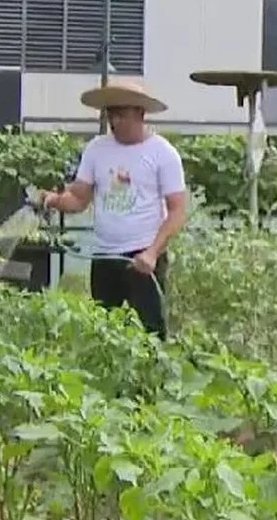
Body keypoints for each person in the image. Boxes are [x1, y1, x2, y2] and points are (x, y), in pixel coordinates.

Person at [38, 78, 188, 339]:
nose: (115, 122)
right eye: (111, 115)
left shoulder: (163, 153)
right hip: (105, 256)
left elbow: (177, 211)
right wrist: (53, 199)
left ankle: (152, 379)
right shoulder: (97, 149)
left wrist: (152, 253)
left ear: (140, 114)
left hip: (141, 259)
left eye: (121, 115)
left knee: (152, 334)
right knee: (105, 333)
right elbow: (79, 198)